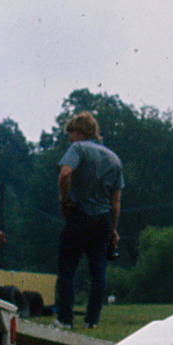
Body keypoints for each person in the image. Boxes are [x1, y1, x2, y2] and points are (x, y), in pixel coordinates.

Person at [54, 111, 122, 328]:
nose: (69, 138)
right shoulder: (114, 158)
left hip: (79, 214)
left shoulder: (78, 149)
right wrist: (113, 228)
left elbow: (65, 174)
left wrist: (64, 201)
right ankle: (92, 320)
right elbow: (116, 202)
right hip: (102, 219)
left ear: (80, 132)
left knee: (67, 268)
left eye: (71, 133)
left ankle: (65, 319)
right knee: (98, 271)